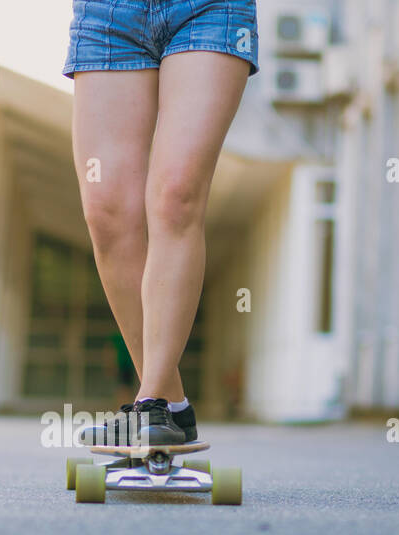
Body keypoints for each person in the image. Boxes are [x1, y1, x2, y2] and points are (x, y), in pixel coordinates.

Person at [66, 0, 258, 446]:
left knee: (176, 195)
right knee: (106, 211)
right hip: (107, 14)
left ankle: (152, 401)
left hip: (208, 10)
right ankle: (170, 407)